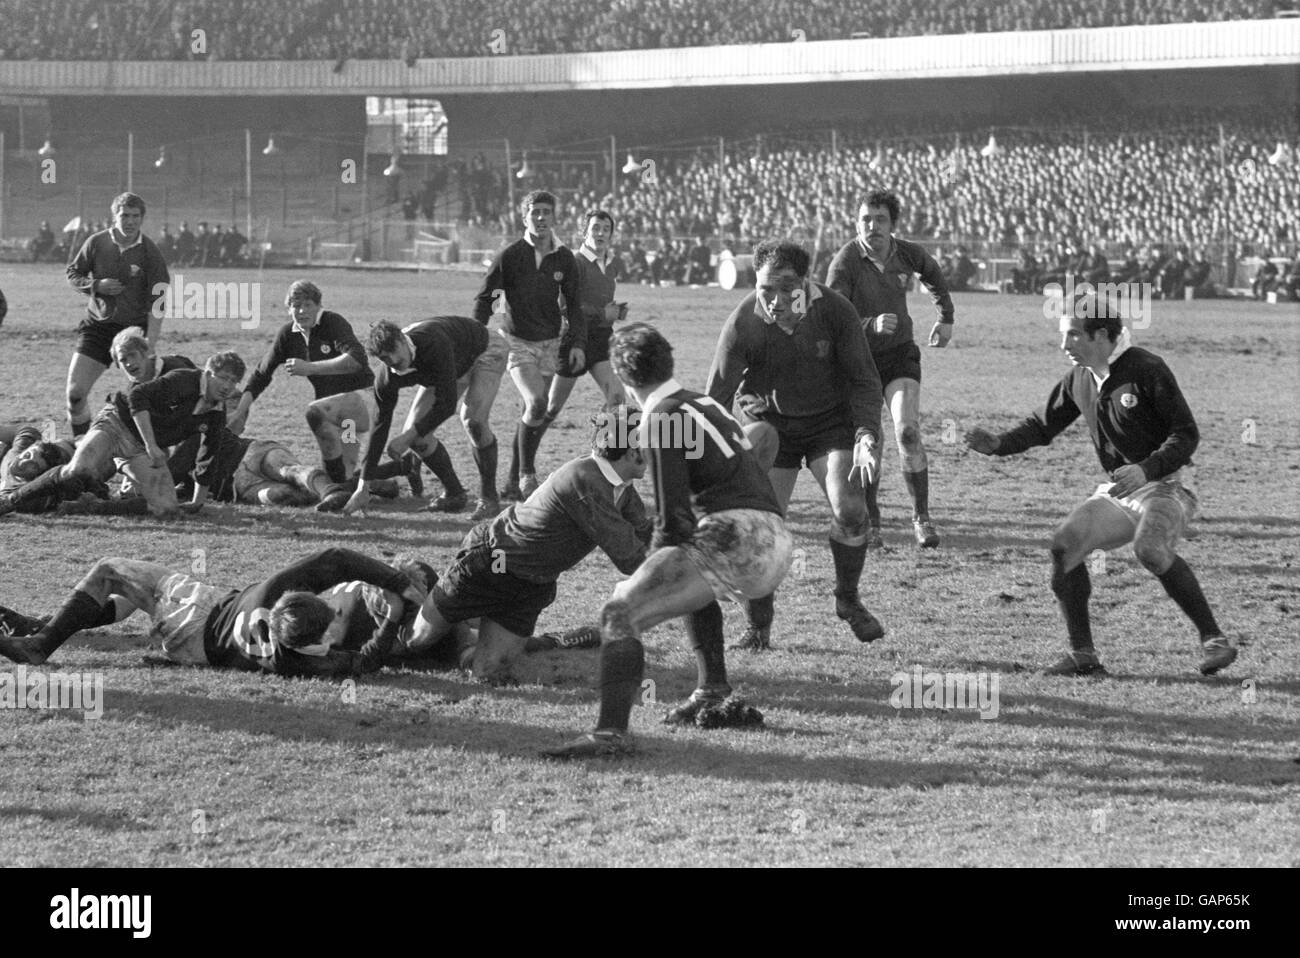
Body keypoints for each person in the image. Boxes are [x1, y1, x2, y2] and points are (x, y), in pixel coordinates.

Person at [544, 324, 793, 759]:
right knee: (689, 584)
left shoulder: (661, 417)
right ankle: (713, 690)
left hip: (736, 532)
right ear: (668, 362)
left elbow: (673, 518)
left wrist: (647, 572)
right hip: (774, 537)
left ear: (622, 378)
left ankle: (610, 735)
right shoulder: (704, 402)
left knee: (619, 611)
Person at [963, 299, 1236, 677]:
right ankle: (1083, 656)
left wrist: (1146, 468)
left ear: (1104, 336)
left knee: (1151, 549)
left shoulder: (1146, 369)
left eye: (1074, 334)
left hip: (1167, 486)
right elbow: (1042, 426)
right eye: (1064, 335)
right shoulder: (1080, 377)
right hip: (1120, 490)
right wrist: (999, 444)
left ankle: (1215, 641)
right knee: (1065, 546)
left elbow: (1186, 434)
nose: (1065, 345)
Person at [708, 239, 884, 651]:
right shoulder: (742, 322)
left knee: (853, 512)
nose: (774, 299)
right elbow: (714, 400)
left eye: (786, 288)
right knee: (761, 529)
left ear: (806, 283)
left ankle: (847, 599)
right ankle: (758, 628)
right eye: (765, 289)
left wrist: (866, 435)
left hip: (829, 424)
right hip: (769, 423)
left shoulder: (836, 310)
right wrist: (711, 461)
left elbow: (863, 379)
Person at [406, 410, 651, 686]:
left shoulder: (622, 489)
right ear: (632, 451)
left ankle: (532, 638)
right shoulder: (586, 480)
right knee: (415, 643)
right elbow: (631, 558)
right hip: (490, 565)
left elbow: (648, 537)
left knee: (487, 672)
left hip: (530, 587)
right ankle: (412, 593)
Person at [0, 547, 423, 678]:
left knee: (110, 571)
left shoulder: (274, 592)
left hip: (204, 614)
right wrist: (390, 617)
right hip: (198, 648)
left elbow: (336, 556)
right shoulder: (298, 661)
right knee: (133, 596)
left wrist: (394, 580)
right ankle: (43, 627)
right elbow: (365, 663)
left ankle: (41, 642)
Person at [826, 189, 954, 549]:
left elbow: (933, 274)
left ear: (892, 225)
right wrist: (869, 324)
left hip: (899, 355)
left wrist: (945, 318)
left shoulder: (907, 253)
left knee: (908, 431)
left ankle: (922, 518)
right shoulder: (845, 262)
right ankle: (873, 521)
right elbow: (833, 318)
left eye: (880, 219)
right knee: (872, 443)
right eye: (865, 218)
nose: (872, 226)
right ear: (857, 223)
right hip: (859, 362)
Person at [0, 351, 245, 519]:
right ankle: (9, 502)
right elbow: (137, 397)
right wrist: (151, 445)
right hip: (116, 423)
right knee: (78, 469)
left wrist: (198, 502)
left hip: (139, 446)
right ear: (209, 373)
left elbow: (207, 455)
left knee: (167, 509)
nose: (227, 386)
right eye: (223, 378)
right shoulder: (185, 379)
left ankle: (94, 508)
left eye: (233, 382)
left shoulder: (215, 412)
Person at [472, 189, 584, 505]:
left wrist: (575, 342)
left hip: (551, 343)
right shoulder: (510, 255)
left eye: (546, 211)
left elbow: (574, 304)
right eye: (535, 212)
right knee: (536, 403)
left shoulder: (565, 258)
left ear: (554, 217)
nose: (541, 217)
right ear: (525, 217)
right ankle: (527, 474)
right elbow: (488, 296)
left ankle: (511, 480)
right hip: (517, 342)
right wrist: (476, 334)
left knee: (533, 413)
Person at [229, 281, 391, 494]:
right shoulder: (288, 334)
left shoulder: (332, 322)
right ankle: (395, 476)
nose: (302, 311)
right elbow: (260, 375)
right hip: (339, 419)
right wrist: (240, 412)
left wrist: (310, 368)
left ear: (318, 305)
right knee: (342, 477)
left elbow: (357, 360)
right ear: (289, 309)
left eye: (307, 305)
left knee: (315, 413)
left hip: (361, 403)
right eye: (296, 306)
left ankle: (369, 483)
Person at [339, 316, 506, 516]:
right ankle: (454, 494)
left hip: (484, 350)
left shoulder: (433, 343)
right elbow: (379, 424)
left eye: (393, 352)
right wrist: (363, 486)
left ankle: (489, 499)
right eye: (384, 358)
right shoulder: (387, 378)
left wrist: (406, 437)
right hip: (450, 365)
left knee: (474, 421)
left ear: (402, 339)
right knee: (418, 438)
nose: (392, 361)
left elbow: (446, 405)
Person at [64, 192, 169, 438]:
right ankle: (82, 447)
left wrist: (149, 344)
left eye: (135, 216)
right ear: (114, 216)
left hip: (133, 332)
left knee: (143, 402)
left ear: (142, 218)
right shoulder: (96, 242)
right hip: (98, 327)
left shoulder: (150, 252)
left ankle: (150, 453)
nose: (130, 221)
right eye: (125, 215)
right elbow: (73, 273)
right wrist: (95, 286)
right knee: (75, 394)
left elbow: (158, 301)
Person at [544, 208, 628, 431]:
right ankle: (524, 452)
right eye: (595, 228)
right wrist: (603, 314)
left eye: (606, 229)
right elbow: (565, 307)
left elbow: (597, 299)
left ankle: (602, 452)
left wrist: (615, 312)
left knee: (617, 398)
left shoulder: (611, 265)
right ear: (584, 232)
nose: (600, 233)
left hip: (601, 339)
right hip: (574, 341)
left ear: (611, 235)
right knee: (550, 409)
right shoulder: (574, 263)